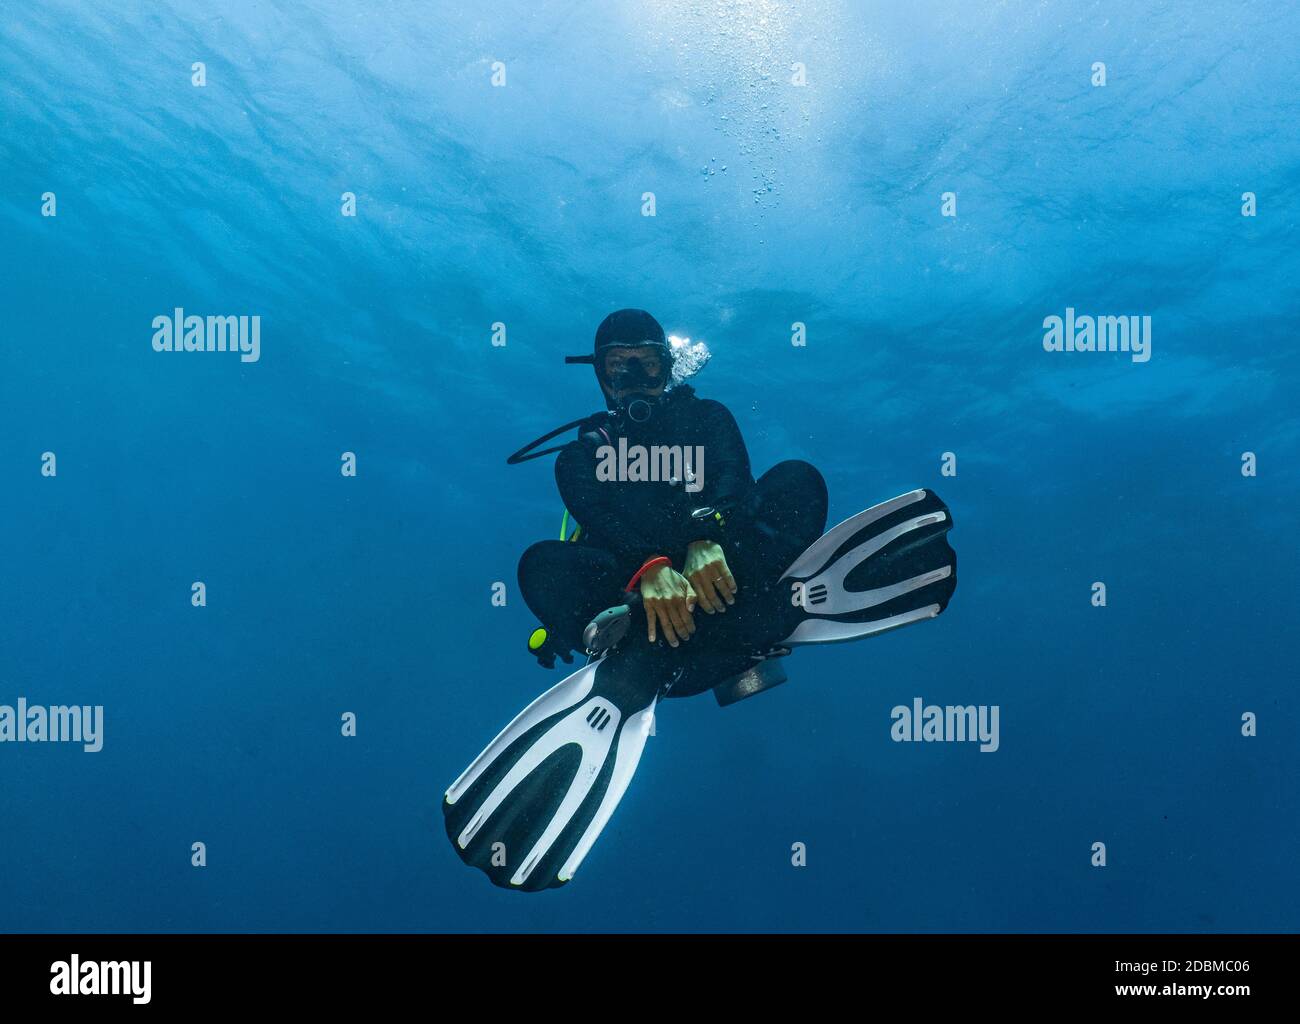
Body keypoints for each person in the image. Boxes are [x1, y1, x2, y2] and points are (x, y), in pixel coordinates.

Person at [516, 309, 828, 691]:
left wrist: (707, 538)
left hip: (733, 589)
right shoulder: (584, 454)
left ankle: (767, 616)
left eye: (647, 364)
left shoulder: (707, 418)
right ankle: (640, 658)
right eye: (618, 366)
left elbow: (733, 477)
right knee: (540, 565)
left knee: (797, 480)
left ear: (667, 368)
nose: (633, 379)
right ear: (600, 375)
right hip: (645, 617)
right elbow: (593, 514)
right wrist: (649, 565)